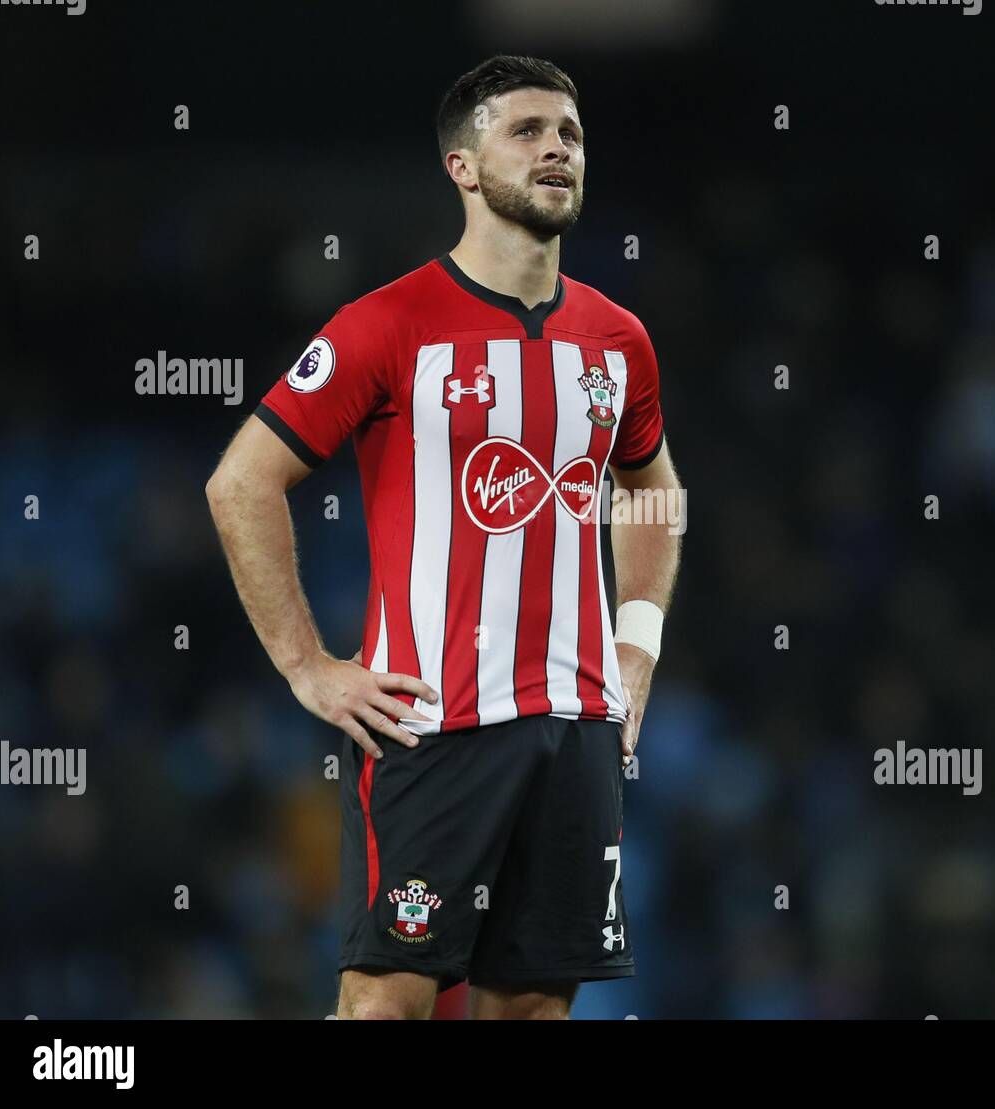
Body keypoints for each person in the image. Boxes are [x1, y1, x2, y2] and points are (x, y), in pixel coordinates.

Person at [205, 54, 681, 1020]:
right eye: (527, 131)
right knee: (384, 1002)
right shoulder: (386, 324)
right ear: (463, 167)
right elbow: (241, 481)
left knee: (533, 1010)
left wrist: (638, 645)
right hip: (433, 724)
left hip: (578, 728)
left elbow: (653, 489)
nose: (557, 148)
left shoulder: (617, 338)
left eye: (571, 135)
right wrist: (308, 667)